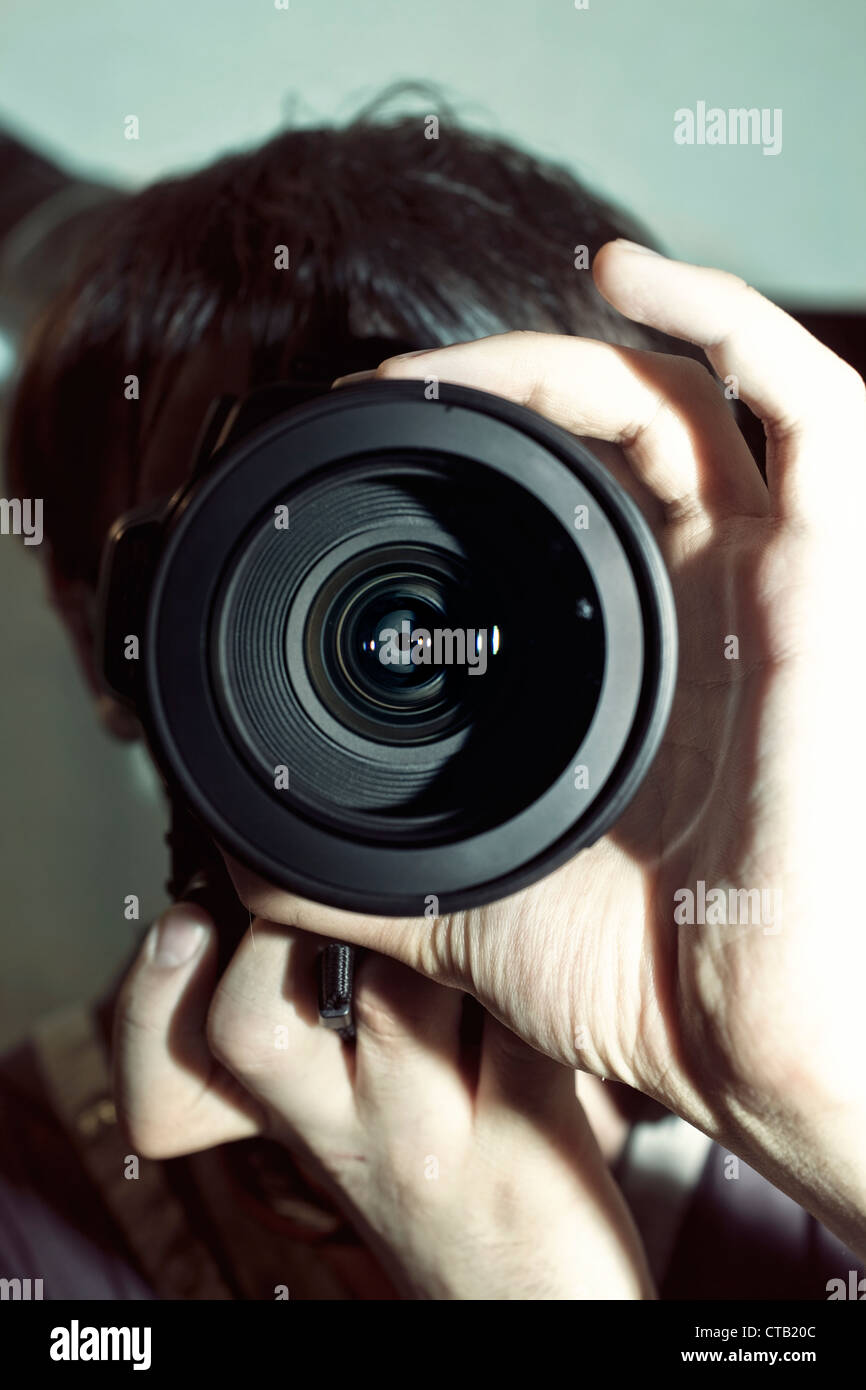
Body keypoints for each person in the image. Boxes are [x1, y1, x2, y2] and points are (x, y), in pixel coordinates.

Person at [1, 93, 863, 1299]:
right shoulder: (34, 1208)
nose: (418, 645)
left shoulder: (808, 1140)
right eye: (269, 539)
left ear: (655, 606)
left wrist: (808, 1098)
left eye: (496, 520)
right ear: (104, 629)